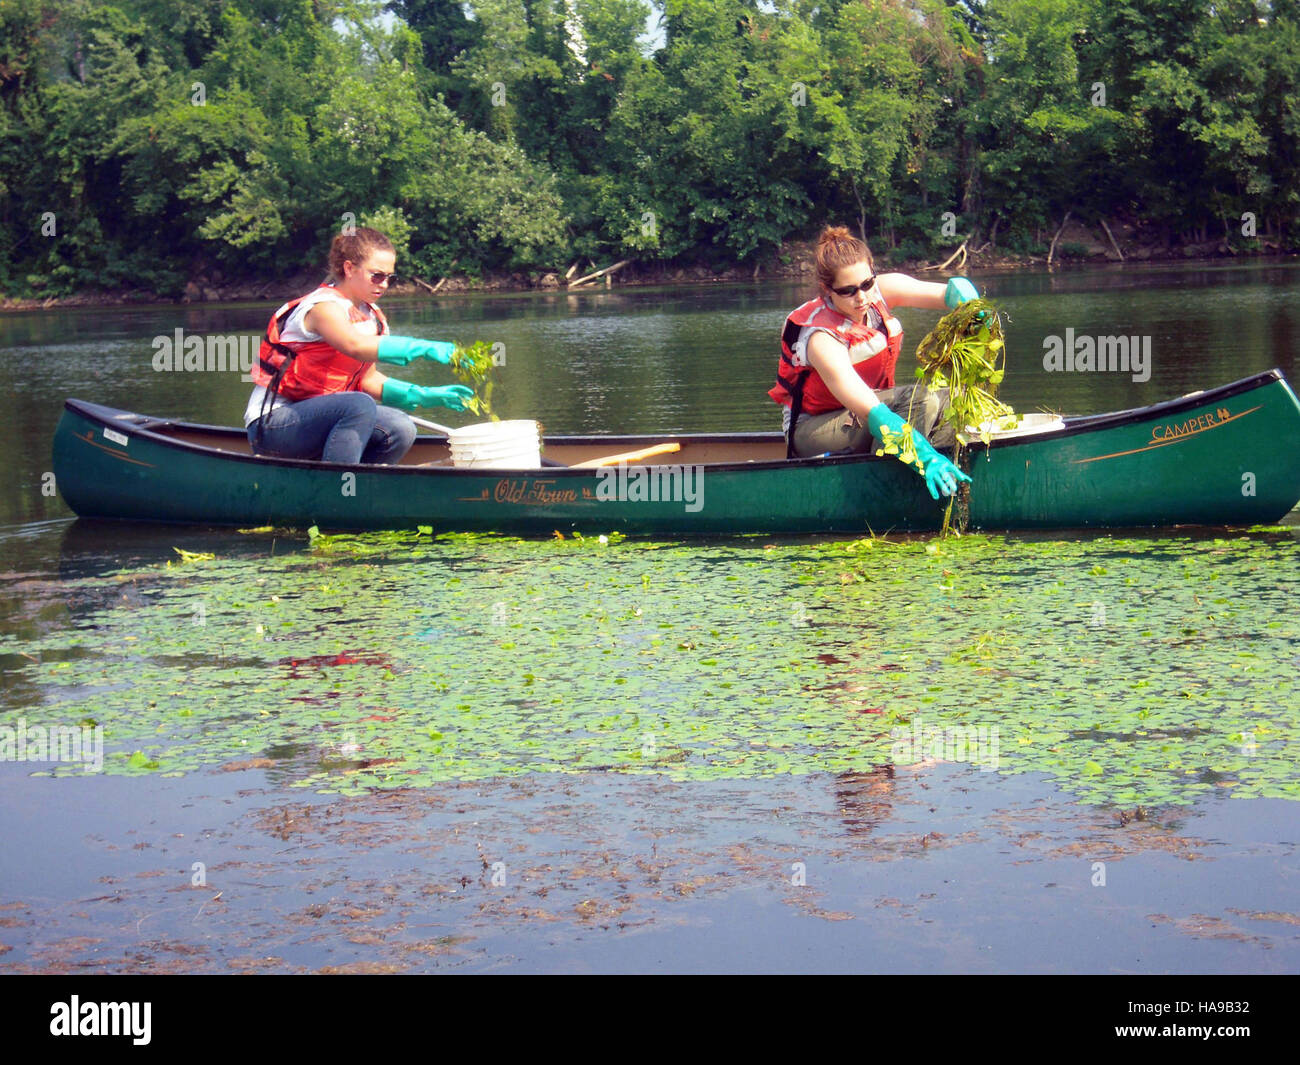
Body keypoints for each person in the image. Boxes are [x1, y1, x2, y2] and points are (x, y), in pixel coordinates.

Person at [770, 226, 980, 499]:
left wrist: (972, 304)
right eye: (848, 291)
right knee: (921, 400)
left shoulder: (879, 292)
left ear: (872, 272)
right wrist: (925, 457)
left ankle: (947, 478)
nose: (862, 298)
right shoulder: (821, 338)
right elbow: (873, 413)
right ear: (827, 289)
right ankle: (889, 484)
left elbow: (949, 294)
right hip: (813, 430)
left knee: (954, 398)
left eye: (867, 284)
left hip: (868, 415)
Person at [245, 227, 473, 464]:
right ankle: (343, 487)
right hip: (273, 427)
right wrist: (424, 348)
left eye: (390, 278)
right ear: (349, 268)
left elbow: (368, 380)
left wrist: (424, 395)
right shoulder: (323, 308)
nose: (384, 284)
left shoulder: (370, 317)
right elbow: (354, 345)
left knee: (400, 427)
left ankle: (362, 486)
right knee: (358, 404)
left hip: (319, 422)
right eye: (377, 276)